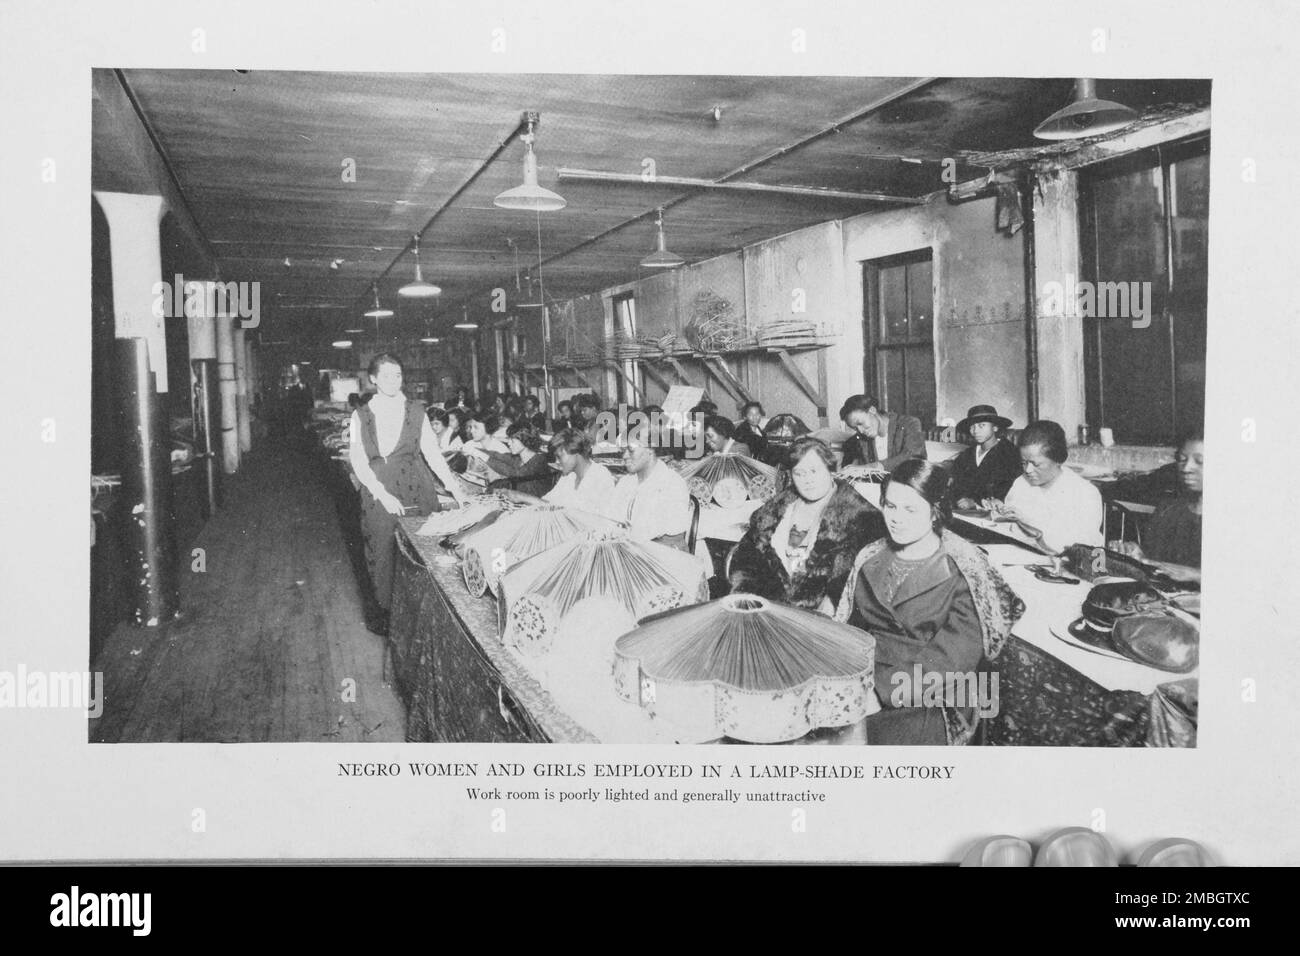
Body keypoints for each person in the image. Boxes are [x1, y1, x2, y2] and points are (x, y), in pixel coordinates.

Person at [833, 459, 1024, 745]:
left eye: (911, 509)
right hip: (868, 677)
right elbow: (848, 632)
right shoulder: (869, 556)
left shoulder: (965, 568)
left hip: (936, 693)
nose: (896, 518)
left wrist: (881, 693)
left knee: (853, 743)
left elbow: (952, 659)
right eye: (890, 505)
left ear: (935, 512)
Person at [348, 353, 469, 634]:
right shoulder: (359, 415)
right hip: (380, 491)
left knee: (423, 554)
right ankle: (391, 620)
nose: (394, 381)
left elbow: (432, 453)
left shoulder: (417, 411)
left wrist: (454, 487)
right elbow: (358, 460)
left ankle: (423, 619)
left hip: (418, 488)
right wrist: (381, 494)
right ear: (374, 379)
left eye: (398, 375)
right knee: (383, 554)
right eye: (387, 375)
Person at [729, 437, 886, 613]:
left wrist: (833, 602)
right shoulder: (775, 510)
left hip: (821, 619)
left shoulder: (861, 517)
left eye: (814, 471)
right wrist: (745, 594)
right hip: (767, 610)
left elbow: (859, 579)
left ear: (831, 469)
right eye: (799, 473)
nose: (807, 480)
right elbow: (746, 555)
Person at [993, 420, 1103, 553]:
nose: (1028, 470)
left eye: (1036, 464)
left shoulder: (1085, 493)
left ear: (1058, 459)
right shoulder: (1021, 483)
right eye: (1023, 462)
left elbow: (1083, 548)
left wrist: (1028, 523)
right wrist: (998, 515)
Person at [1111, 431, 1203, 575]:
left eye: (1199, 462)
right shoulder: (1168, 509)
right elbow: (1154, 561)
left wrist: (1194, 574)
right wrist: (1139, 556)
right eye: (1182, 459)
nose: (1186, 469)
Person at [609, 427, 692, 549]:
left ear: (650, 450)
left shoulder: (671, 484)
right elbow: (612, 522)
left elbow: (675, 542)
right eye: (622, 451)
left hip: (660, 558)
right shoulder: (626, 482)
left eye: (631, 450)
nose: (625, 456)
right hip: (628, 552)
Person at [949, 404, 1021, 507]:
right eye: (972, 427)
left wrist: (976, 503)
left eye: (981, 425)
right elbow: (956, 483)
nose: (975, 431)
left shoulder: (1010, 454)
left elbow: (1008, 492)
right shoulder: (967, 454)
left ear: (995, 427)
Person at [838, 394, 926, 477]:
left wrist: (873, 467)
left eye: (860, 423)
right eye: (855, 428)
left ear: (872, 410)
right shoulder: (862, 439)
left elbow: (912, 457)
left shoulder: (910, 423)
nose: (860, 431)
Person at [463, 421, 554, 498]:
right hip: (522, 498)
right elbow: (498, 455)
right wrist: (477, 451)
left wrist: (485, 457)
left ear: (524, 440)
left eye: (512, 440)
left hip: (535, 504)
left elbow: (516, 473)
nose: (509, 443)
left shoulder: (539, 459)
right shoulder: (519, 458)